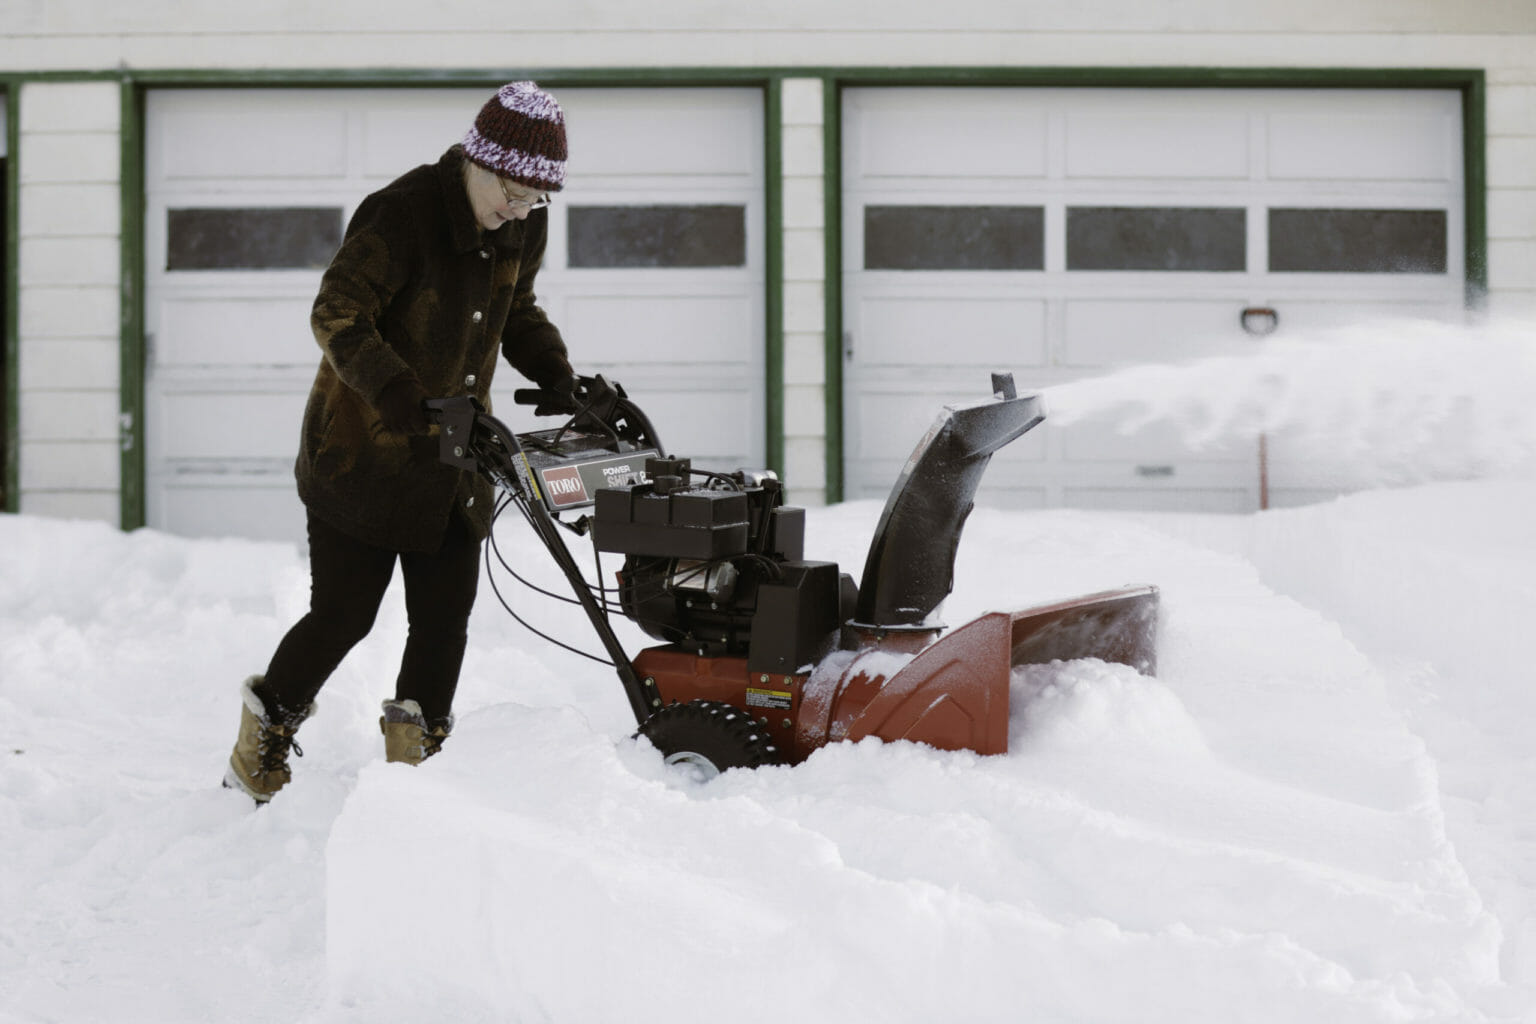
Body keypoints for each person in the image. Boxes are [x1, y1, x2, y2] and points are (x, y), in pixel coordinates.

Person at [225, 81, 578, 803]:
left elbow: (518, 307)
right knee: (345, 615)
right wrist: (398, 392)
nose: (519, 211)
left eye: (535, 200)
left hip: (453, 458)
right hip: (362, 453)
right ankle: (258, 745)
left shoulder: (520, 222)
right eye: (511, 192)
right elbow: (338, 312)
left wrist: (556, 371)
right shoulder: (404, 213)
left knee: (444, 618)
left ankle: (414, 781)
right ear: (477, 162)